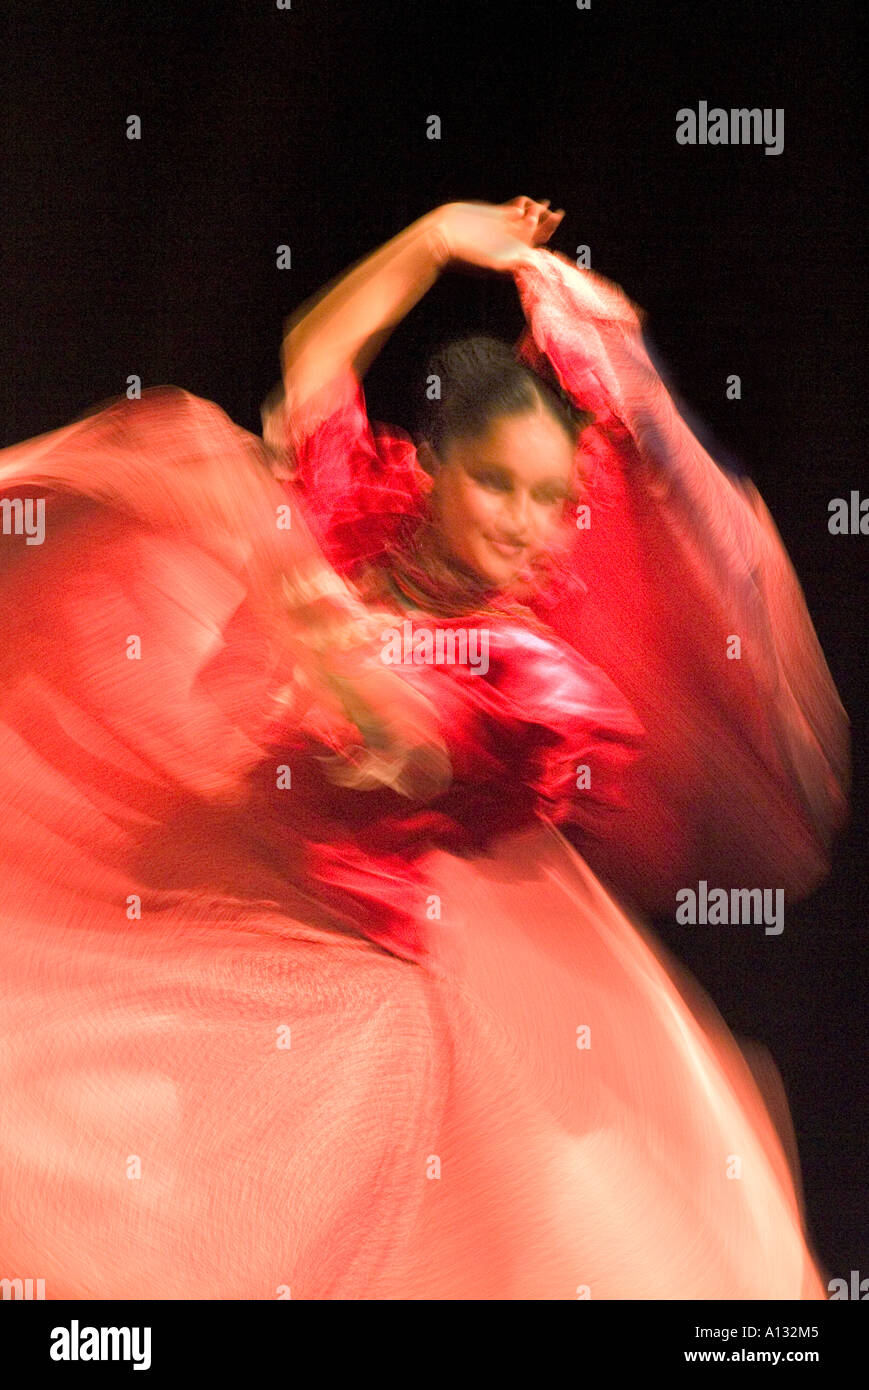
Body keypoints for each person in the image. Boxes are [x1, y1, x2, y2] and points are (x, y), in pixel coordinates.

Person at [0, 198, 847, 1299]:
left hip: (331, 969)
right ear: (435, 465)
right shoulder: (371, 507)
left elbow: (399, 751)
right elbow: (312, 360)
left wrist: (310, 610)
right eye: (497, 483)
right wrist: (443, 236)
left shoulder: (537, 682)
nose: (525, 524)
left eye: (552, 501)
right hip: (233, 854)